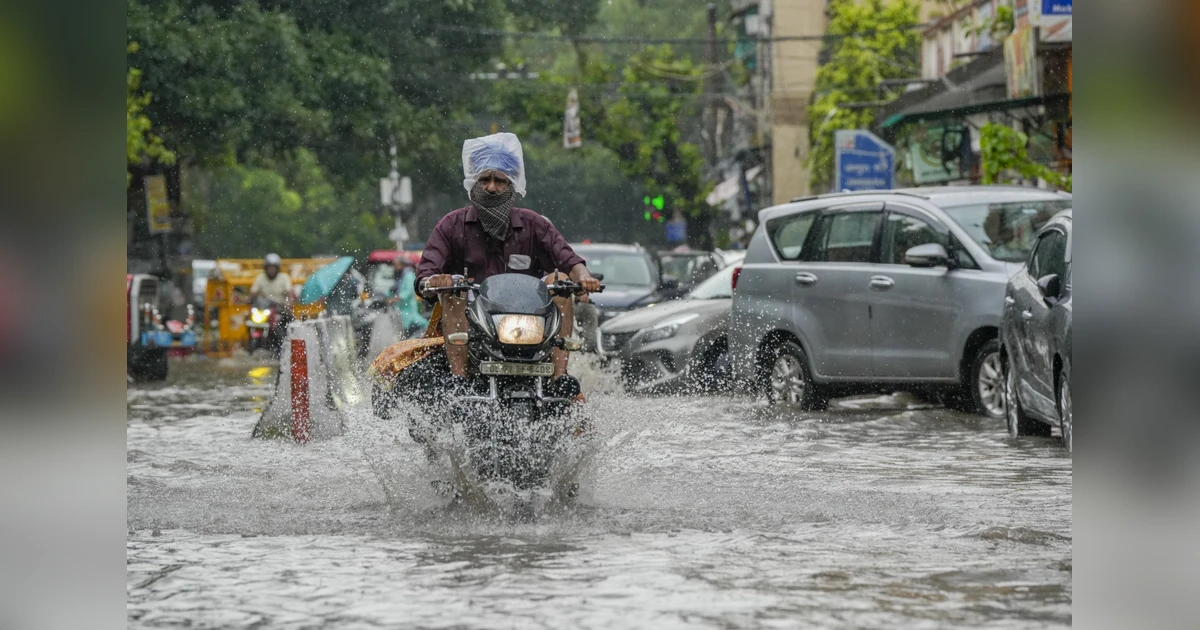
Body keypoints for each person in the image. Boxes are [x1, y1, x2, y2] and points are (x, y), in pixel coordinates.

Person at [416, 132, 601, 389]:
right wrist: (434, 280)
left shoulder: (535, 225)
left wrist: (583, 278)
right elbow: (426, 272)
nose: (491, 187)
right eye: (485, 179)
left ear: (512, 184)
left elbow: (569, 259)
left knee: (559, 281)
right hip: (473, 322)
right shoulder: (451, 225)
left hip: (530, 322)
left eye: (500, 181)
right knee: (454, 287)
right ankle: (458, 379)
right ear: (473, 182)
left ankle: (559, 378)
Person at [387, 255, 429, 339]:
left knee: (418, 328)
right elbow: (392, 290)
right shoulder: (399, 276)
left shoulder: (409, 275)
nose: (394, 267)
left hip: (408, 309)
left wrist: (395, 299)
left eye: (396, 265)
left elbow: (408, 292)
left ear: (402, 265)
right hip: (401, 310)